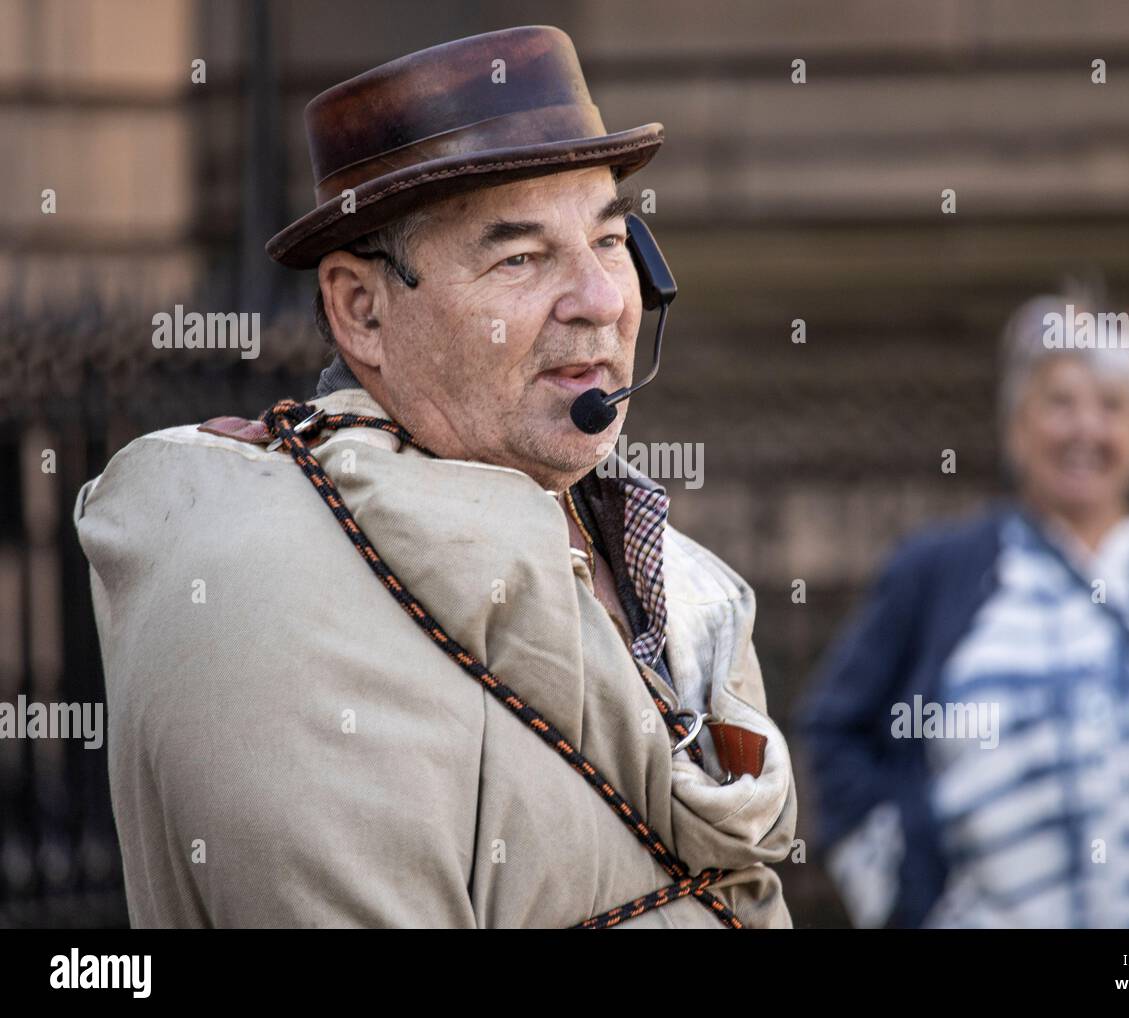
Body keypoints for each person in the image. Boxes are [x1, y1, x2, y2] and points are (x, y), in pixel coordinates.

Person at [74, 26, 795, 928]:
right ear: (361, 311)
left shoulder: (655, 561)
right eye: (520, 258)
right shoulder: (270, 593)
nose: (605, 301)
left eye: (611, 242)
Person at [798, 291, 1129, 928]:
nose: (1085, 429)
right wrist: (891, 883)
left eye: (1111, 406)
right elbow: (835, 727)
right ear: (1017, 424)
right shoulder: (937, 571)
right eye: (1060, 402)